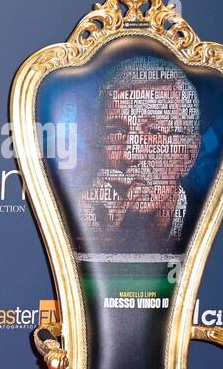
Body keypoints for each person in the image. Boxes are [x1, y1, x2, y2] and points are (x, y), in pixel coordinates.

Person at [78, 54, 202, 253]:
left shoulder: (205, 220)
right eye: (115, 131)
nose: (129, 154)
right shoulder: (82, 216)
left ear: (188, 155)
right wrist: (92, 239)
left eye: (154, 132)